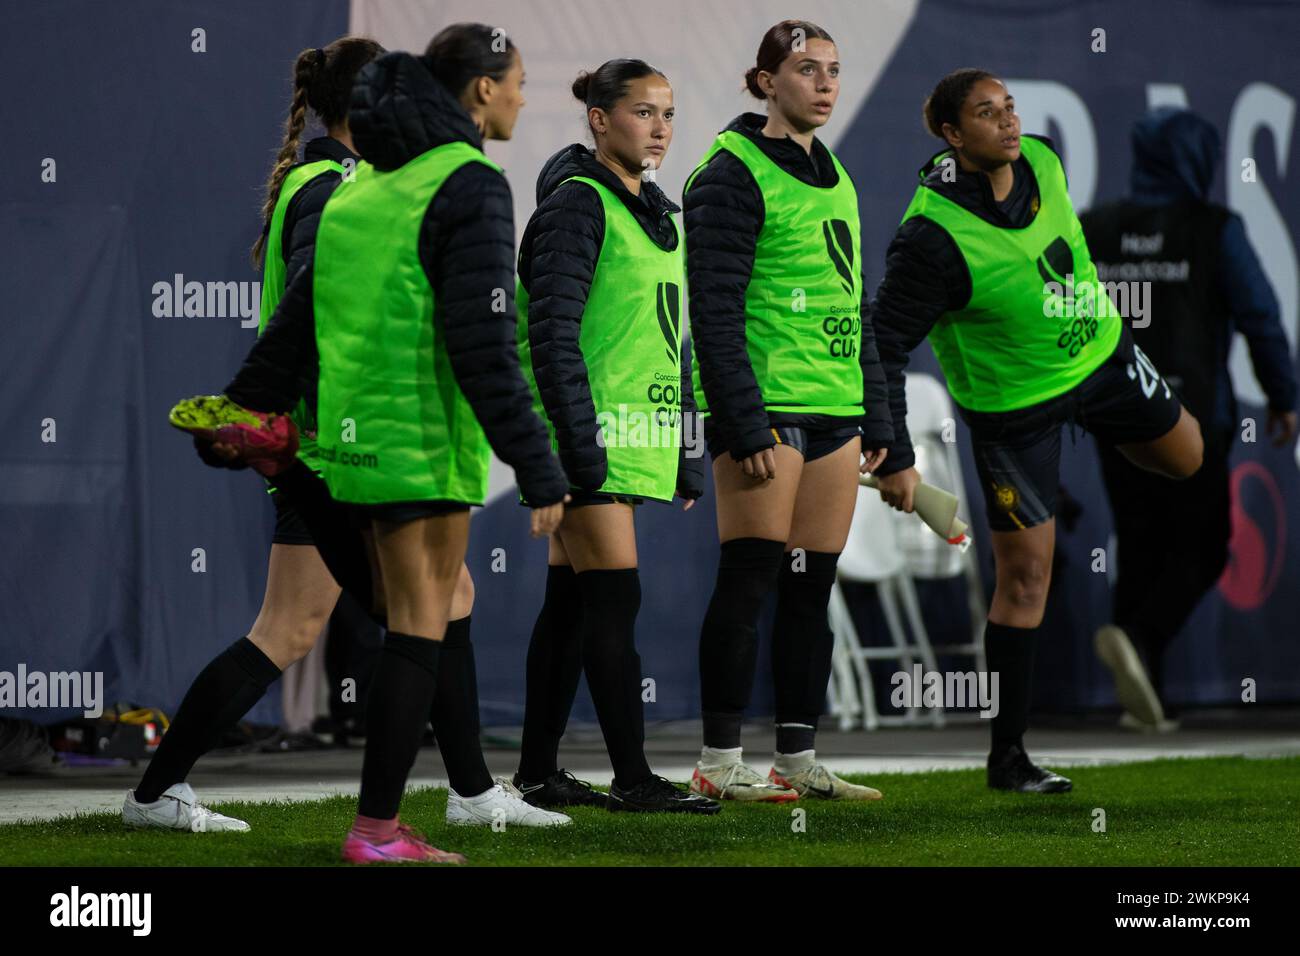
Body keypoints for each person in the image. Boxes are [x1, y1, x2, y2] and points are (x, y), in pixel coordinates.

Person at [172, 25, 575, 862]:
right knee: (418, 630)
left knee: (409, 618)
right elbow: (484, 345)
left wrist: (244, 410)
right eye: (519, 83)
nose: (524, 98)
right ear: (480, 93)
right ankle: (378, 834)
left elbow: (295, 324)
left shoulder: (356, 189)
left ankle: (427, 811)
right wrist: (538, 468)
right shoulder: (469, 183)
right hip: (420, 447)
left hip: (347, 453)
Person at [871, 69, 1205, 792]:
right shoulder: (930, 241)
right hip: (1015, 410)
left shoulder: (1044, 157)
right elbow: (883, 347)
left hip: (1100, 358)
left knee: (1189, 456)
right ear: (954, 137)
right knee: (1027, 577)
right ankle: (1009, 760)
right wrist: (895, 454)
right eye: (987, 115)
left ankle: (1074, 477)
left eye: (1009, 107)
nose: (1009, 122)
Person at [124, 36, 384, 834]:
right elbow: (315, 307)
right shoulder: (334, 185)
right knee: (338, 622)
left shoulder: (327, 178)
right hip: (326, 444)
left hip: (324, 438)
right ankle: (155, 794)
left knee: (420, 606)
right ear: (365, 104)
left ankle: (476, 792)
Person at [684, 20, 892, 803]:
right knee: (748, 584)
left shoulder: (834, 173)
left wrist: (879, 418)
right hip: (768, 411)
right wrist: (741, 420)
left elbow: (853, 304)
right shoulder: (730, 172)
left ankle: (797, 760)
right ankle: (715, 761)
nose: (826, 83)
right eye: (807, 69)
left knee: (811, 588)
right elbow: (712, 307)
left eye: (835, 69)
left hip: (835, 411)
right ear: (766, 81)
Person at [510, 59, 718, 815]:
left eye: (667, 112)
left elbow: (672, 342)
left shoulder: (657, 212)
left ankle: (536, 774)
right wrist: (578, 446)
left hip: (638, 438)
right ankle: (633, 778)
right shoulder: (575, 206)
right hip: (591, 439)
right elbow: (551, 336)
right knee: (613, 604)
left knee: (569, 607)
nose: (659, 127)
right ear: (599, 120)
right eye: (641, 112)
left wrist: (688, 449)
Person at [1081, 106, 1298, 729]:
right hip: (1193, 417)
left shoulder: (1096, 226)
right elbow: (1260, 315)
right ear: (1200, 159)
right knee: (1203, 546)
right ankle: (1137, 637)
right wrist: (1283, 396)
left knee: (1142, 541)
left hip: (1114, 410)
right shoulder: (1213, 227)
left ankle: (1145, 699)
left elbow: (1061, 314)